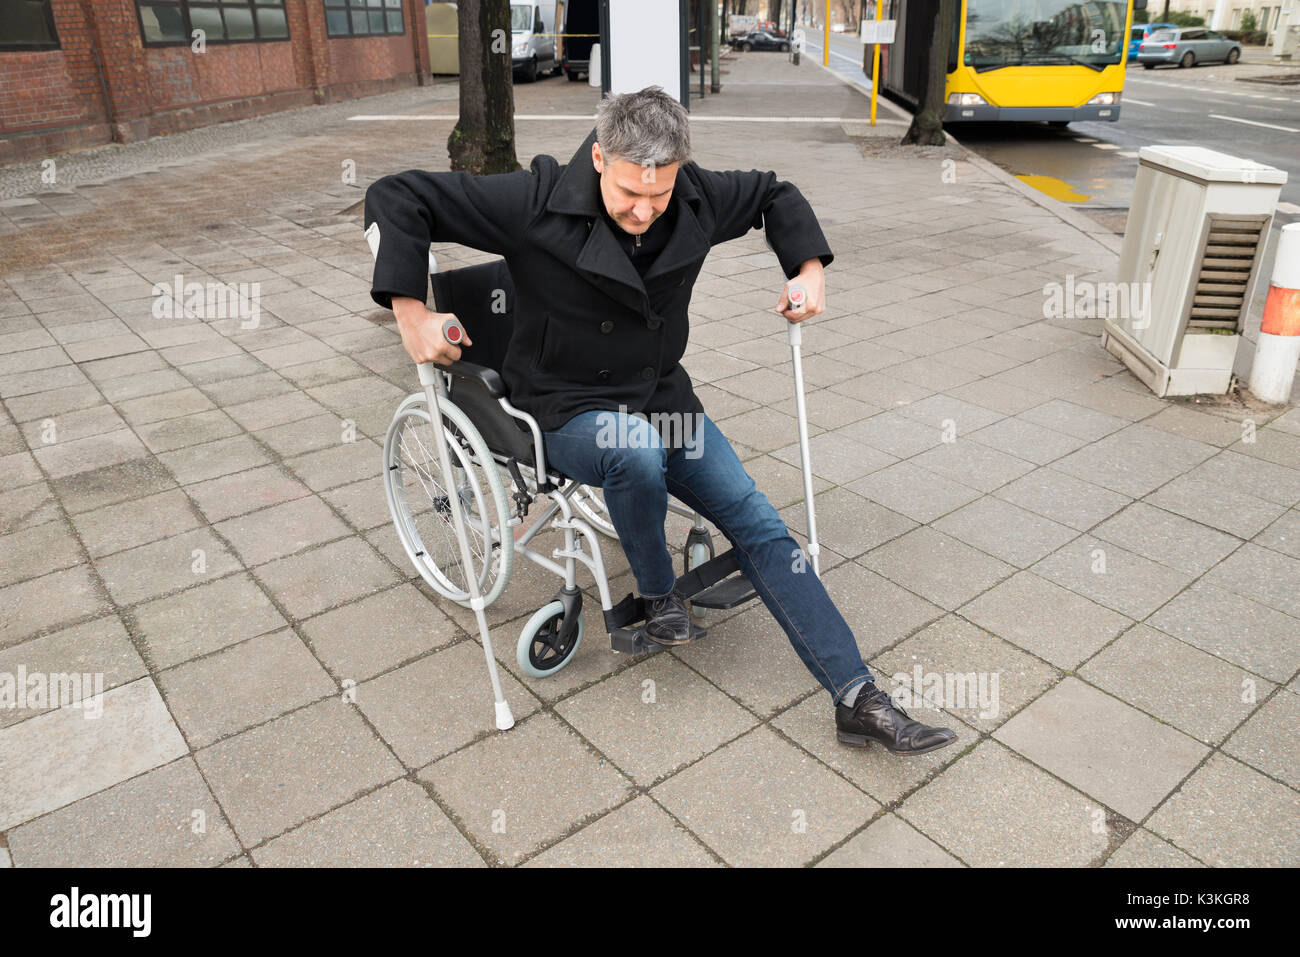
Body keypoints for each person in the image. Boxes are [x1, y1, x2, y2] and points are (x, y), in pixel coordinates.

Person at [364, 86, 956, 755]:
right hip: (566, 405)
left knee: (759, 521)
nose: (644, 210)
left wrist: (809, 269)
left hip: (662, 400)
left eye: (659, 194)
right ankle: (656, 593)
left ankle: (856, 696)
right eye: (628, 193)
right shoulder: (537, 200)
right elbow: (396, 195)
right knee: (634, 451)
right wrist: (411, 311)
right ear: (598, 158)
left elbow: (774, 193)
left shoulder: (697, 197)